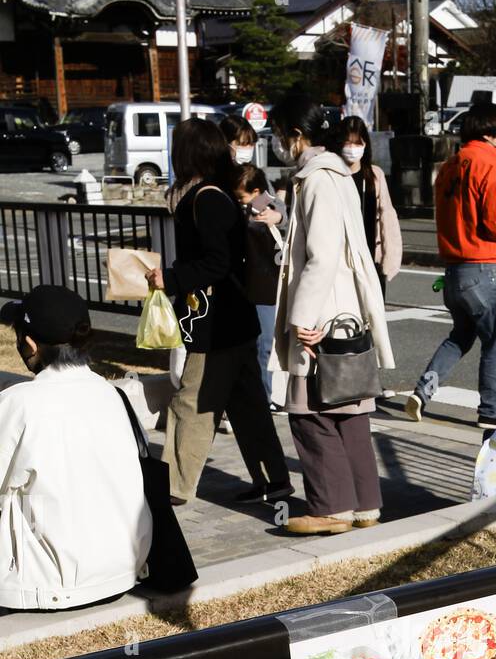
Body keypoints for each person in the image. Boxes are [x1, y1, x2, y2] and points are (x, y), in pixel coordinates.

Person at [144, 116, 293, 506]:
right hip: (235, 315)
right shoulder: (222, 189)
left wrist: (171, 280)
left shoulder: (207, 197)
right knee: (248, 407)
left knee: (190, 400)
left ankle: (174, 487)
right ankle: (274, 481)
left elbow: (216, 262)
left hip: (215, 319)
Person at [270, 93, 394, 536]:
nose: (276, 141)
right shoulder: (338, 175)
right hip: (346, 309)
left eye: (279, 133)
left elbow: (321, 256)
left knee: (310, 413)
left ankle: (331, 509)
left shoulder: (316, 179)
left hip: (322, 313)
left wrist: (301, 317)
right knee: (351, 412)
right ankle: (365, 506)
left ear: (296, 135)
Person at [0, 285, 152, 611]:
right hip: (123, 571)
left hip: (48, 584)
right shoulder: (115, 396)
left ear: (29, 345)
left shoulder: (18, 403)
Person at [406, 108, 496, 429]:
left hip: (454, 270)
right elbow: (495, 223)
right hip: (483, 270)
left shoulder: (450, 166)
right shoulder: (491, 166)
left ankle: (423, 391)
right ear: (490, 133)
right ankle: (490, 411)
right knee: (495, 342)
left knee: (460, 337)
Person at [230, 161, 288, 409]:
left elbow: (284, 216)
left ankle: (263, 397)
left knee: (263, 346)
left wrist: (278, 217)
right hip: (254, 285)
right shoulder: (249, 207)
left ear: (255, 192)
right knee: (258, 346)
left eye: (242, 196)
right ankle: (259, 395)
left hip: (265, 286)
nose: (239, 200)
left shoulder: (266, 205)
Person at [330, 116, 402, 300]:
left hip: (370, 259)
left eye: (357, 142)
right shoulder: (331, 175)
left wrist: (389, 261)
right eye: (347, 142)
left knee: (372, 319)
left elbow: (387, 216)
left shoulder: (374, 175)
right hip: (339, 261)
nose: (352, 148)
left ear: (365, 144)